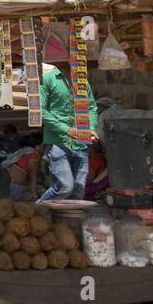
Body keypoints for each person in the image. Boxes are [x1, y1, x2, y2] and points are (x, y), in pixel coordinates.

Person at [38, 62, 98, 201]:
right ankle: (37, 209)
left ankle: (67, 222)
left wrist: (91, 128)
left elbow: (92, 108)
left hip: (81, 144)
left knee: (78, 190)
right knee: (65, 187)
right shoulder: (48, 79)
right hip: (57, 144)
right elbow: (41, 111)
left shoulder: (83, 81)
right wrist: (66, 130)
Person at [4, 134, 44, 201]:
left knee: (42, 188)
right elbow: (32, 179)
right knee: (45, 193)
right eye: (44, 145)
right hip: (16, 190)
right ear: (37, 147)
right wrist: (35, 197)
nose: (45, 147)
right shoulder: (33, 157)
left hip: (13, 187)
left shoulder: (26, 153)